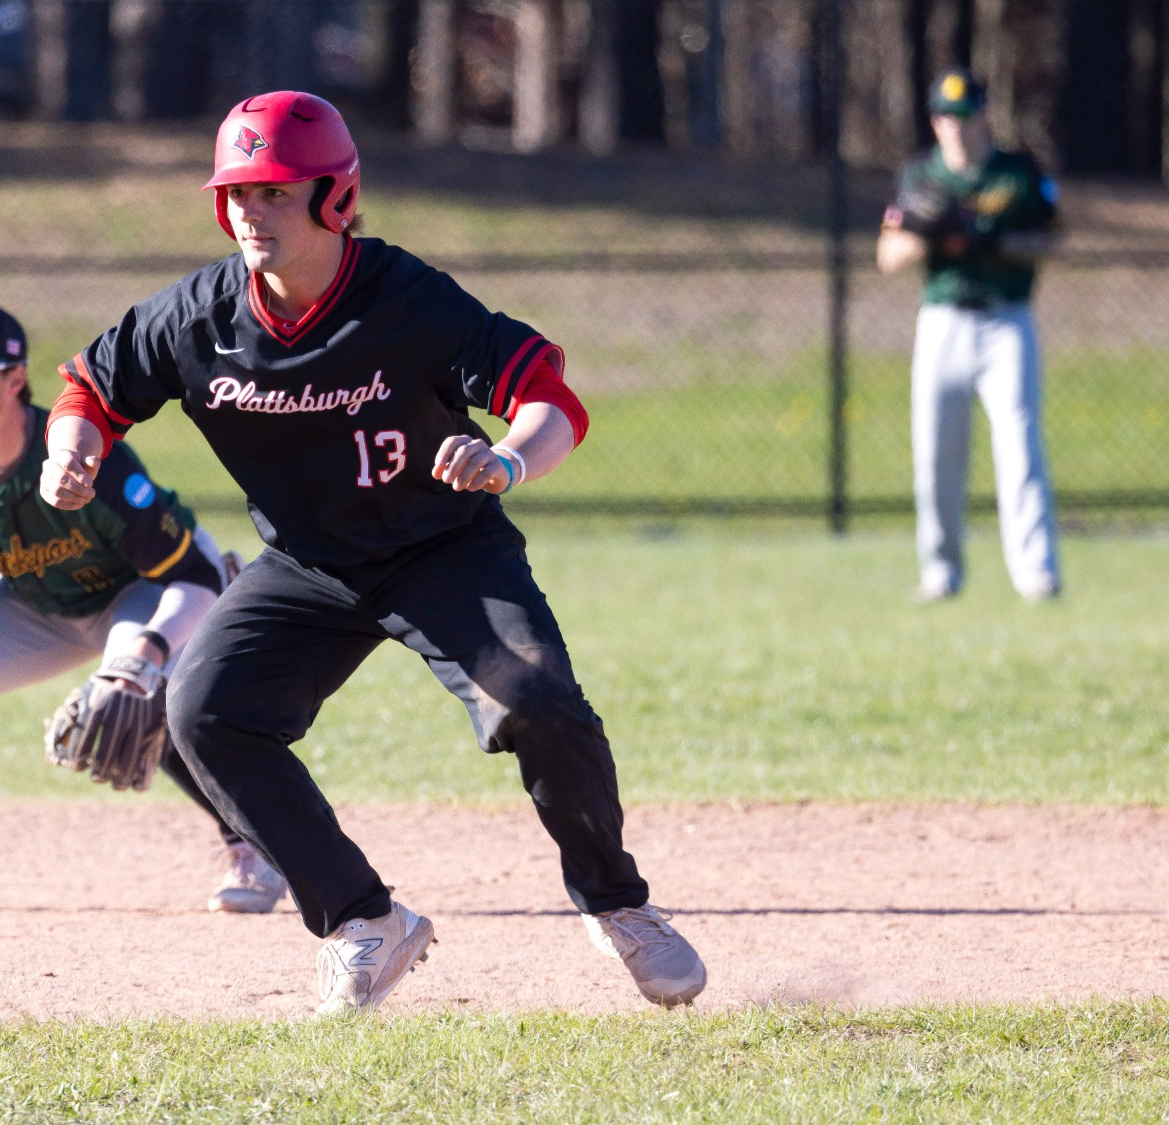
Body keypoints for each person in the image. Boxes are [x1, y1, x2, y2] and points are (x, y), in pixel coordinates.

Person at [39, 92, 706, 1015]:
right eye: (236, 192)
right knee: (203, 711)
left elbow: (551, 398)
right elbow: (90, 385)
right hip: (309, 564)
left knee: (541, 699)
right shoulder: (198, 317)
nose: (249, 213)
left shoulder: (405, 299)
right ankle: (362, 919)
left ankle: (618, 903)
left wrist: (508, 459)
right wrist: (71, 446)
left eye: (275, 192)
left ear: (337, 198)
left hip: (441, 546)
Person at [0, 299, 285, 916]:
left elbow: (191, 574)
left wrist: (150, 651)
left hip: (153, 591)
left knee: (139, 697)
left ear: (15, 379)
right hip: (45, 603)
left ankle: (256, 849)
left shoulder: (80, 457)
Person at [878, 69, 1065, 602]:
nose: (955, 127)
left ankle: (1035, 572)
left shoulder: (1017, 174)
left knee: (1019, 443)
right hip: (944, 321)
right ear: (934, 121)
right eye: (944, 117)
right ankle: (941, 570)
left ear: (984, 116)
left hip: (1005, 320)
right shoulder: (920, 176)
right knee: (936, 450)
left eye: (964, 116)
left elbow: (1053, 241)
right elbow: (888, 255)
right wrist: (930, 235)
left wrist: (997, 240)